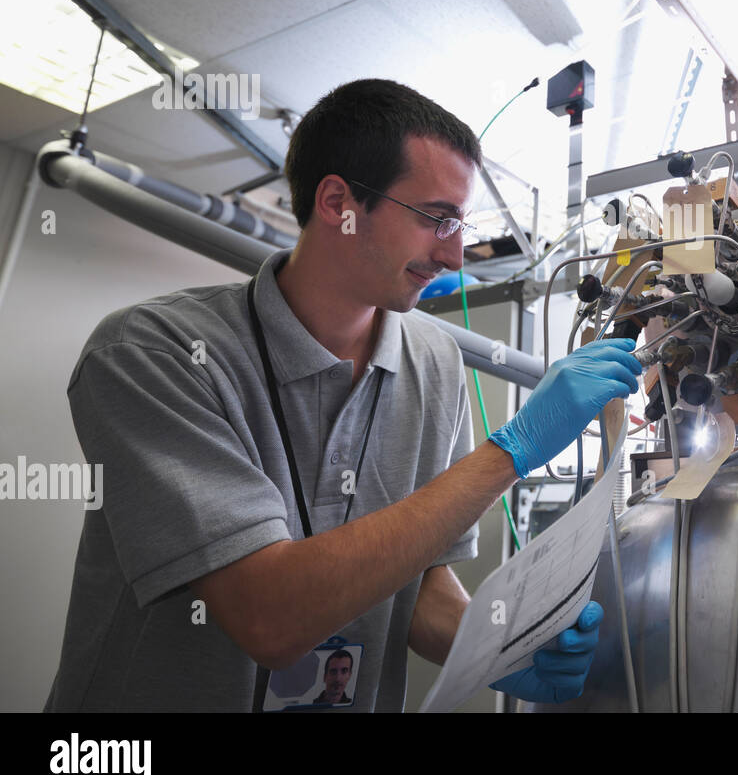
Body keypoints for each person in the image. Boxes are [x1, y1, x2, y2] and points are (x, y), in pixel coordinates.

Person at [44, 79, 641, 712]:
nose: (454, 251)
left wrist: (501, 641)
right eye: (436, 218)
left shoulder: (435, 364)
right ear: (338, 202)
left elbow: (415, 588)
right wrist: (511, 451)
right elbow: (268, 618)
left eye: (460, 222)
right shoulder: (154, 353)